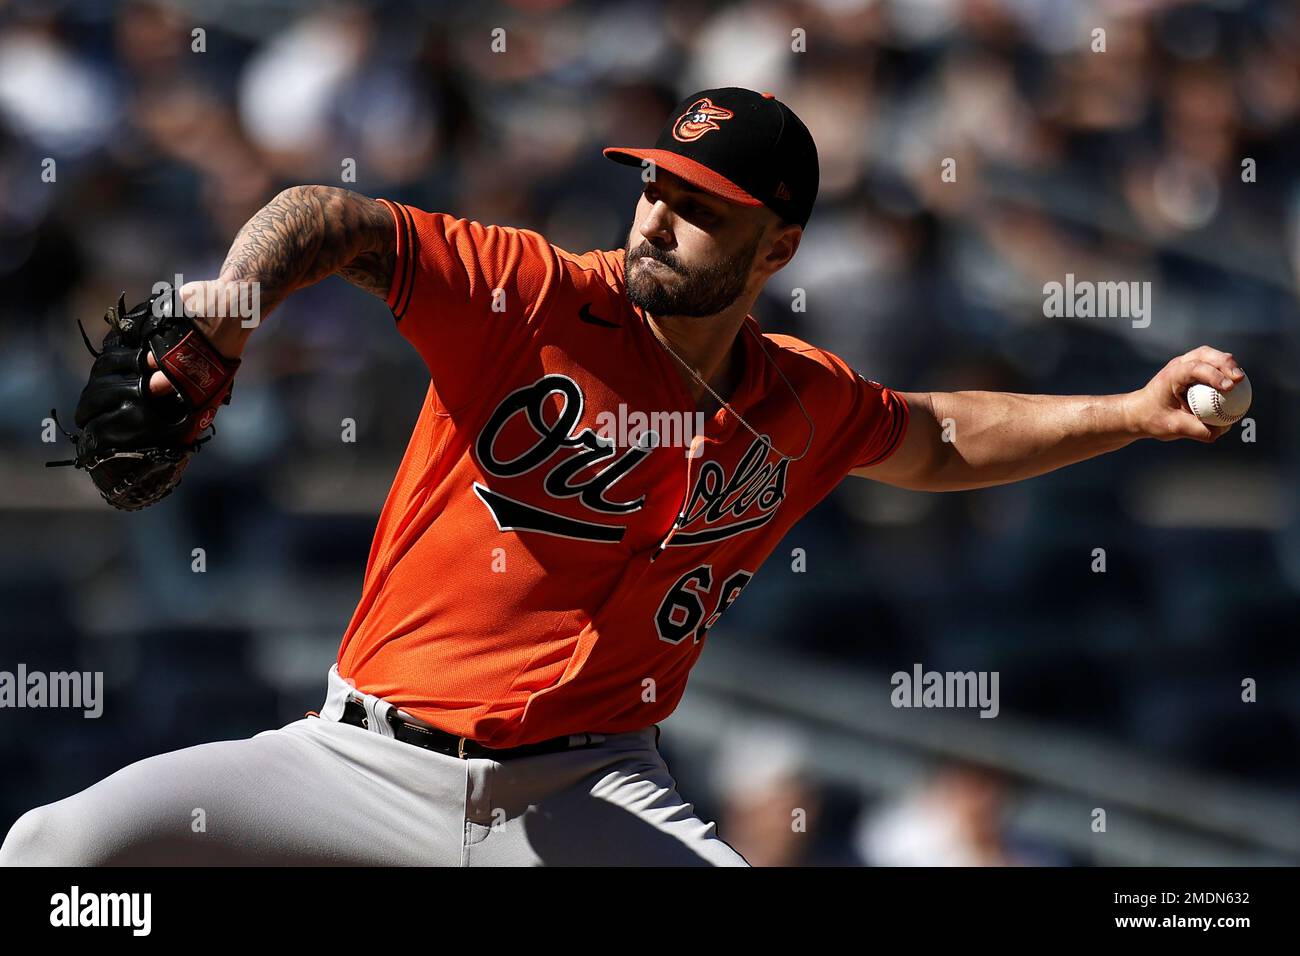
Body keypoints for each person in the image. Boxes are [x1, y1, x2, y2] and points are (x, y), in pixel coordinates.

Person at [0, 87, 1244, 866]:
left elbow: (940, 432)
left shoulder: (794, 398)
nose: (653, 216)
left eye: (697, 204)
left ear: (778, 244)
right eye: (652, 183)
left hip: (593, 784)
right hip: (360, 766)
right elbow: (334, 218)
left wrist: (1129, 409)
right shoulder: (531, 293)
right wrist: (233, 303)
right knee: (60, 852)